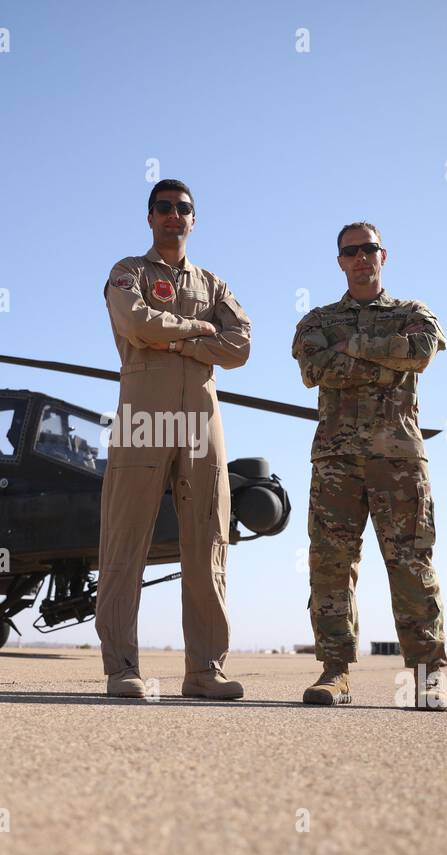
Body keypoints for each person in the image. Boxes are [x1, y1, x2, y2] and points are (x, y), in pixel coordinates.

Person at [96, 179, 251, 699]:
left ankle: (204, 669)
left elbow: (242, 345)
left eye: (183, 209)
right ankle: (122, 668)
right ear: (149, 217)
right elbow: (135, 320)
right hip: (144, 414)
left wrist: (178, 342)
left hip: (202, 422)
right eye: (163, 208)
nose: (173, 216)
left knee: (208, 539)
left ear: (193, 219)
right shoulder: (127, 272)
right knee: (126, 537)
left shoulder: (213, 283)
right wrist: (200, 333)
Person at [291, 222, 447, 708]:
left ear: (385, 255)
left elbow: (419, 352)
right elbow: (314, 370)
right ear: (339, 260)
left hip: (398, 460)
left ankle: (427, 676)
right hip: (336, 461)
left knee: (409, 562)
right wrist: (385, 359)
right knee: (330, 565)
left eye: (369, 249)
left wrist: (352, 347)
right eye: (351, 251)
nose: (361, 257)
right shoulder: (316, 320)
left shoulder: (413, 312)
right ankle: (334, 672)